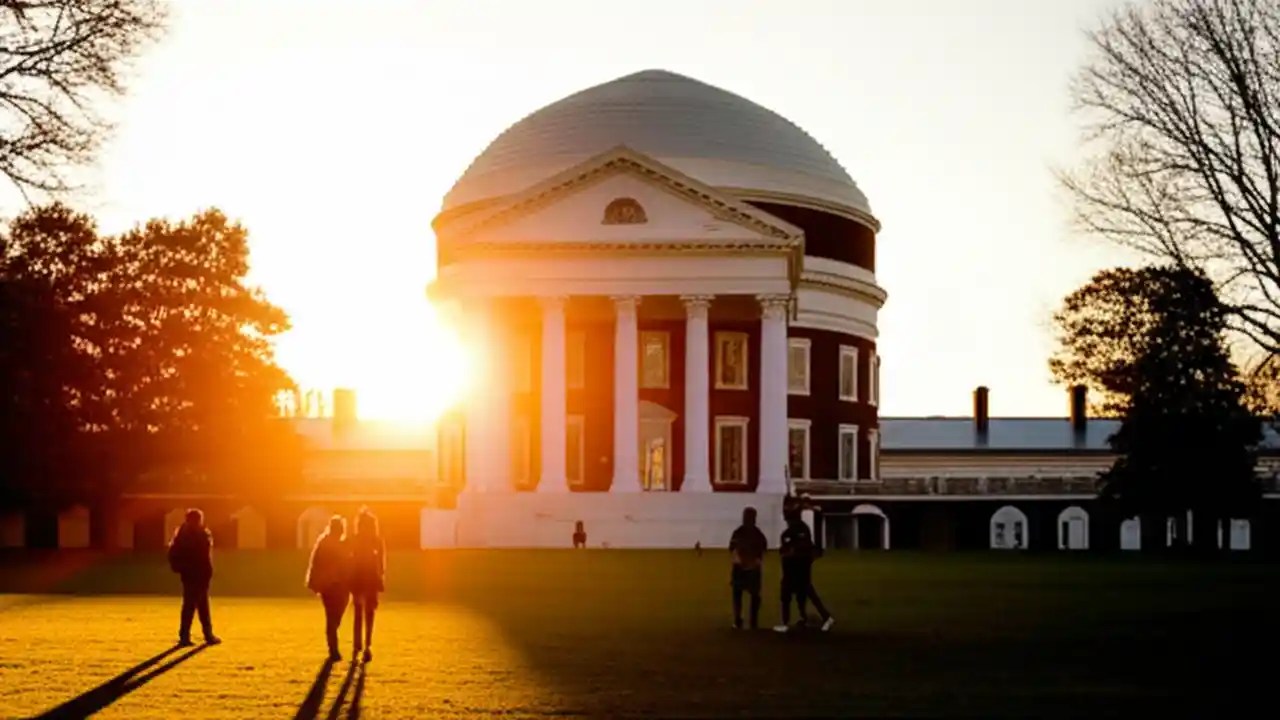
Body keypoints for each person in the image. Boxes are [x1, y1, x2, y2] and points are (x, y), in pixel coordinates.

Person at [774, 497, 834, 633]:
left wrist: (789, 553)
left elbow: (793, 551)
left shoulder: (794, 531)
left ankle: (786, 623)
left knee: (791, 595)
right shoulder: (799, 529)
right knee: (803, 594)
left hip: (796, 569)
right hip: (799, 568)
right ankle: (806, 619)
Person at [167, 508, 221, 646]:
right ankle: (193, 635)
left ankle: (200, 634)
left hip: (188, 574)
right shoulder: (201, 534)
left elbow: (173, 553)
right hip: (199, 574)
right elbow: (204, 557)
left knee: (196, 604)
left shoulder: (181, 535)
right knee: (196, 605)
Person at [306, 516, 351, 660]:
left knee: (334, 617)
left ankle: (333, 645)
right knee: (333, 617)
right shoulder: (327, 544)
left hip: (339, 585)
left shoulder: (338, 544)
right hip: (331, 586)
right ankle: (333, 650)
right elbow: (317, 563)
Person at [348, 507, 386, 663]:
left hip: (358, 578)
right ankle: (366, 645)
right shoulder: (376, 540)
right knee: (369, 613)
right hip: (370, 578)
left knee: (359, 612)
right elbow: (381, 562)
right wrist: (380, 577)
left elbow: (349, 558)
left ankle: (358, 644)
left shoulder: (355, 539)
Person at [728, 507, 767, 629]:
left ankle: (739, 620)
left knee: (738, 594)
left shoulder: (739, 531)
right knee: (753, 595)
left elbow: (732, 548)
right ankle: (751, 621)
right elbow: (763, 548)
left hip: (742, 567)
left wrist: (738, 558)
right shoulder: (757, 532)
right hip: (750, 568)